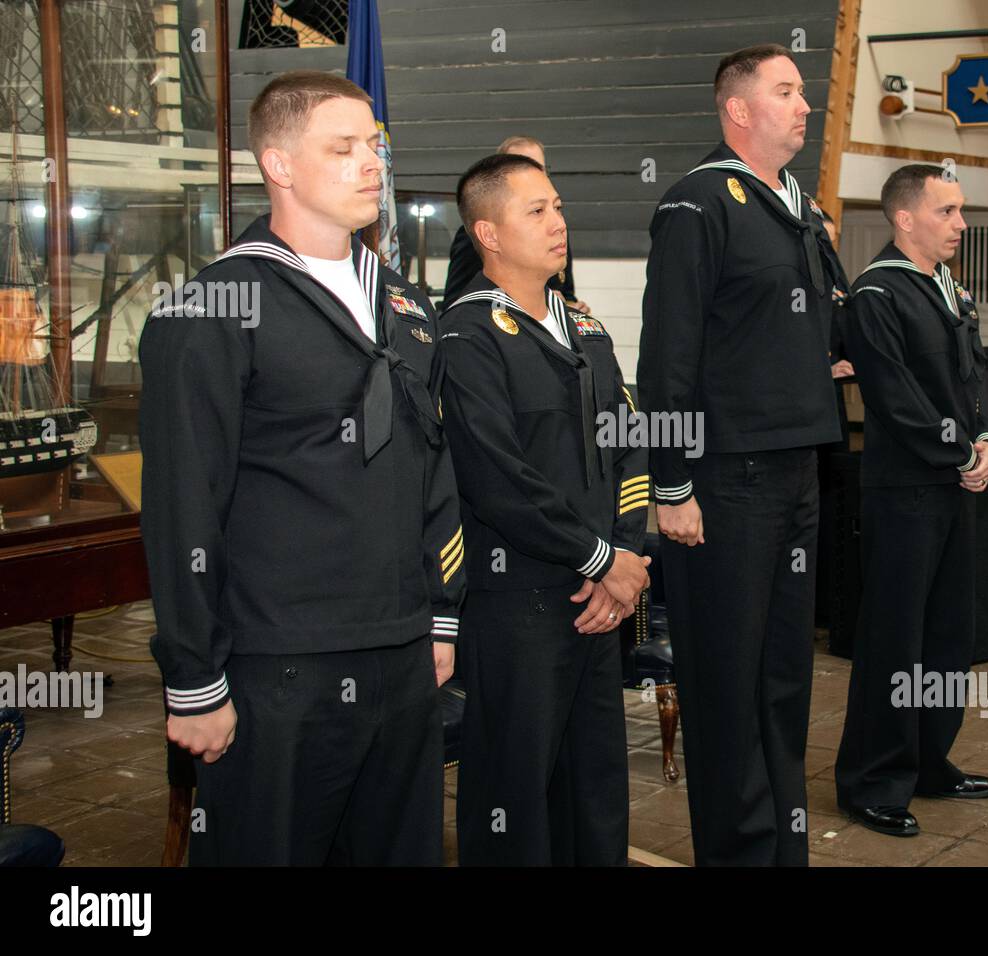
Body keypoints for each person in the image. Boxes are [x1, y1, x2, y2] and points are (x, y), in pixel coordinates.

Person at [139, 70, 464, 865]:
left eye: (374, 148)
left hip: (401, 651)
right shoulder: (212, 308)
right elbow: (184, 502)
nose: (370, 165)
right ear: (279, 165)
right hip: (280, 664)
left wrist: (441, 613)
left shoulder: (407, 305)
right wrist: (194, 679)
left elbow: (435, 470)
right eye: (343, 148)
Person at [636, 44, 841, 866]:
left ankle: (779, 849)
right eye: (785, 91)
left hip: (797, 471)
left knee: (784, 680)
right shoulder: (698, 203)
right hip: (726, 480)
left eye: (804, 91)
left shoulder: (797, 206)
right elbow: (668, 355)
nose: (803, 105)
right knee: (726, 686)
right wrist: (673, 484)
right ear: (738, 109)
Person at [439, 153, 650, 865]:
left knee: (594, 788)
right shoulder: (466, 338)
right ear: (488, 234)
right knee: (512, 795)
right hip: (517, 601)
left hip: (599, 600)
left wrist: (622, 560)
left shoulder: (586, 330)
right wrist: (600, 560)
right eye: (537, 211)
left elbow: (629, 446)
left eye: (558, 206)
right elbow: (498, 478)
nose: (559, 223)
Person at [834, 164, 988, 838]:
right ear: (906, 219)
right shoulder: (877, 293)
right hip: (906, 490)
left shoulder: (951, 290)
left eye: (960, 211)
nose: (961, 224)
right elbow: (893, 395)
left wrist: (987, 435)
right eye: (948, 212)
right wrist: (959, 451)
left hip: (957, 485)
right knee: (893, 640)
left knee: (946, 636)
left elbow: (976, 373)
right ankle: (872, 780)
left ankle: (930, 760)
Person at [441, 136, 588, 313]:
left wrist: (569, 306)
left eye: (539, 167)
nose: (532, 173)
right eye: (520, 164)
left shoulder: (555, 226)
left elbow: (565, 289)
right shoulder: (476, 234)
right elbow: (456, 301)